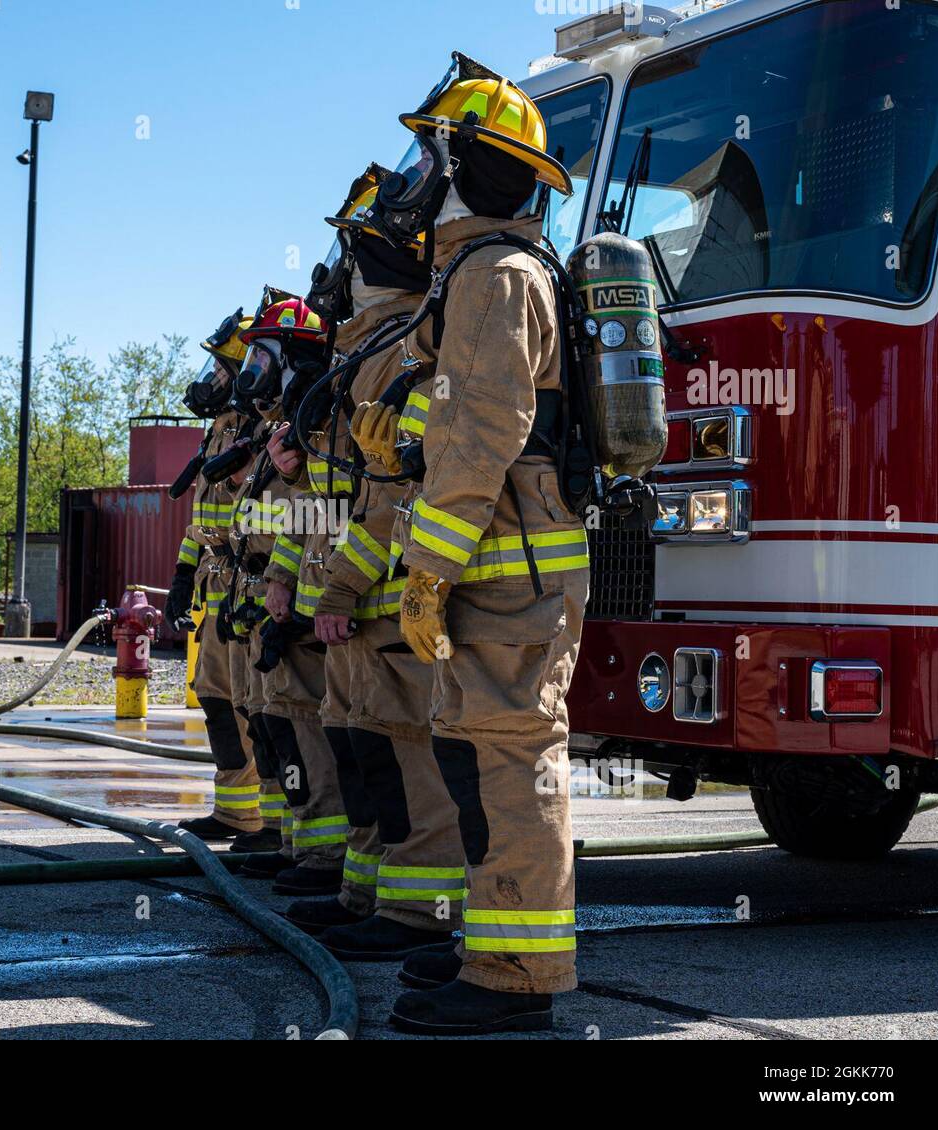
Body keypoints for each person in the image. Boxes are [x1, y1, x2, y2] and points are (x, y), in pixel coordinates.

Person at [361, 52, 591, 1035]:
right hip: (499, 569)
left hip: (508, 572)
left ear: (464, 168)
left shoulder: (497, 278)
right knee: (480, 755)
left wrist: (428, 565)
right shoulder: (477, 276)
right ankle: (488, 946)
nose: (416, 179)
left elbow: (477, 434)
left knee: (509, 753)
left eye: (431, 156)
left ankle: (517, 981)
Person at [277, 167, 468, 961]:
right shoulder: (367, 354)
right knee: (367, 754)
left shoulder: (400, 352)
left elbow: (392, 495)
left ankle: (418, 912)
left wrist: (343, 582)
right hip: (361, 604)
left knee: (408, 761)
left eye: (354, 257)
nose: (343, 278)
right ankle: (368, 891)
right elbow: (346, 501)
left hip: (393, 600)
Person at [222, 290, 332, 876]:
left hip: (315, 606)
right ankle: (289, 839)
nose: (249, 377)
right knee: (276, 727)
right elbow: (286, 525)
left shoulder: (311, 429)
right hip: (274, 598)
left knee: (308, 730)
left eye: (260, 361)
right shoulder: (282, 433)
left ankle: (318, 850)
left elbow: (320, 511)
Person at [166, 309, 280, 851]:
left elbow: (269, 517)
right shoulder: (224, 430)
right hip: (220, 588)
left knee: (261, 708)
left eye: (220, 372)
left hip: (256, 588)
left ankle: (277, 827)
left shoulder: (269, 433)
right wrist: (184, 570)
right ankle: (236, 813)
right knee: (216, 699)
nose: (210, 382)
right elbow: (205, 521)